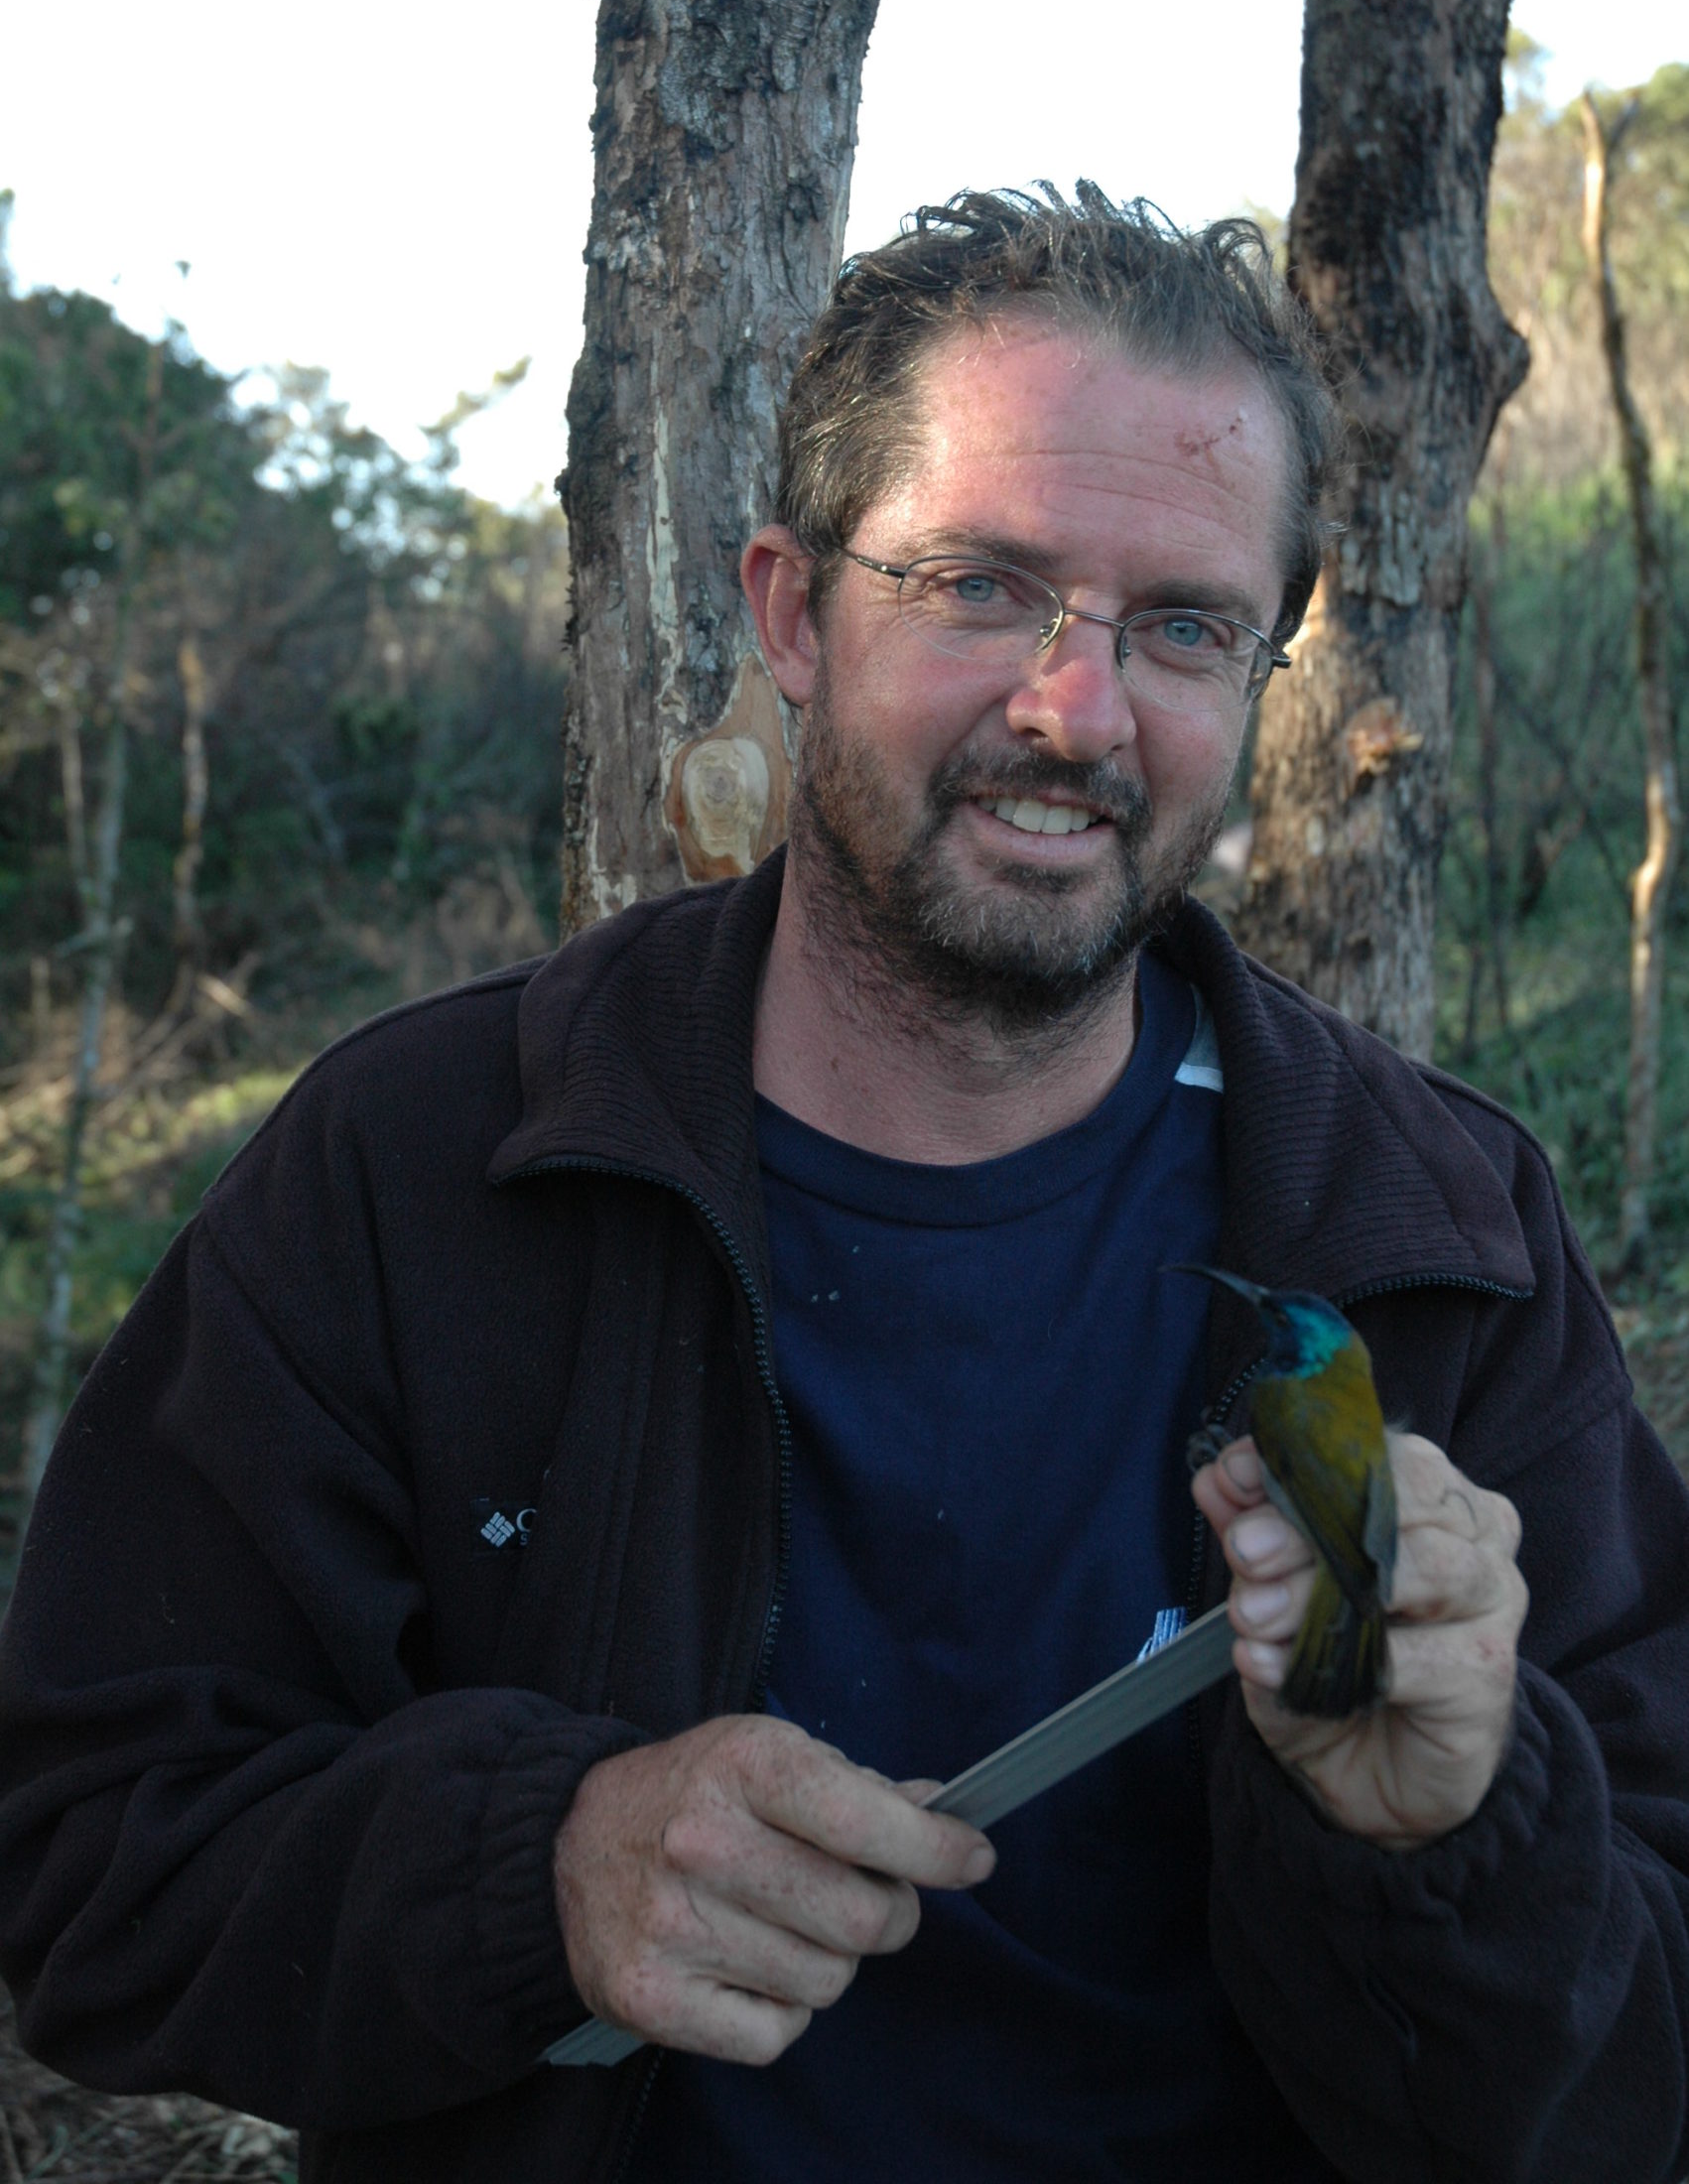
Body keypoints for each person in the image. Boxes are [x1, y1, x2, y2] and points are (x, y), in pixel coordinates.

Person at [1, 189, 1685, 2184]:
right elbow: (83, 1867)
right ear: (791, 611)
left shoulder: (1433, 1231)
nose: (1074, 709)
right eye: (979, 584)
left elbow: (1633, 2073)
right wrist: (537, 1862)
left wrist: (1456, 1820)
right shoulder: (416, 1169)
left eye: (1178, 625)